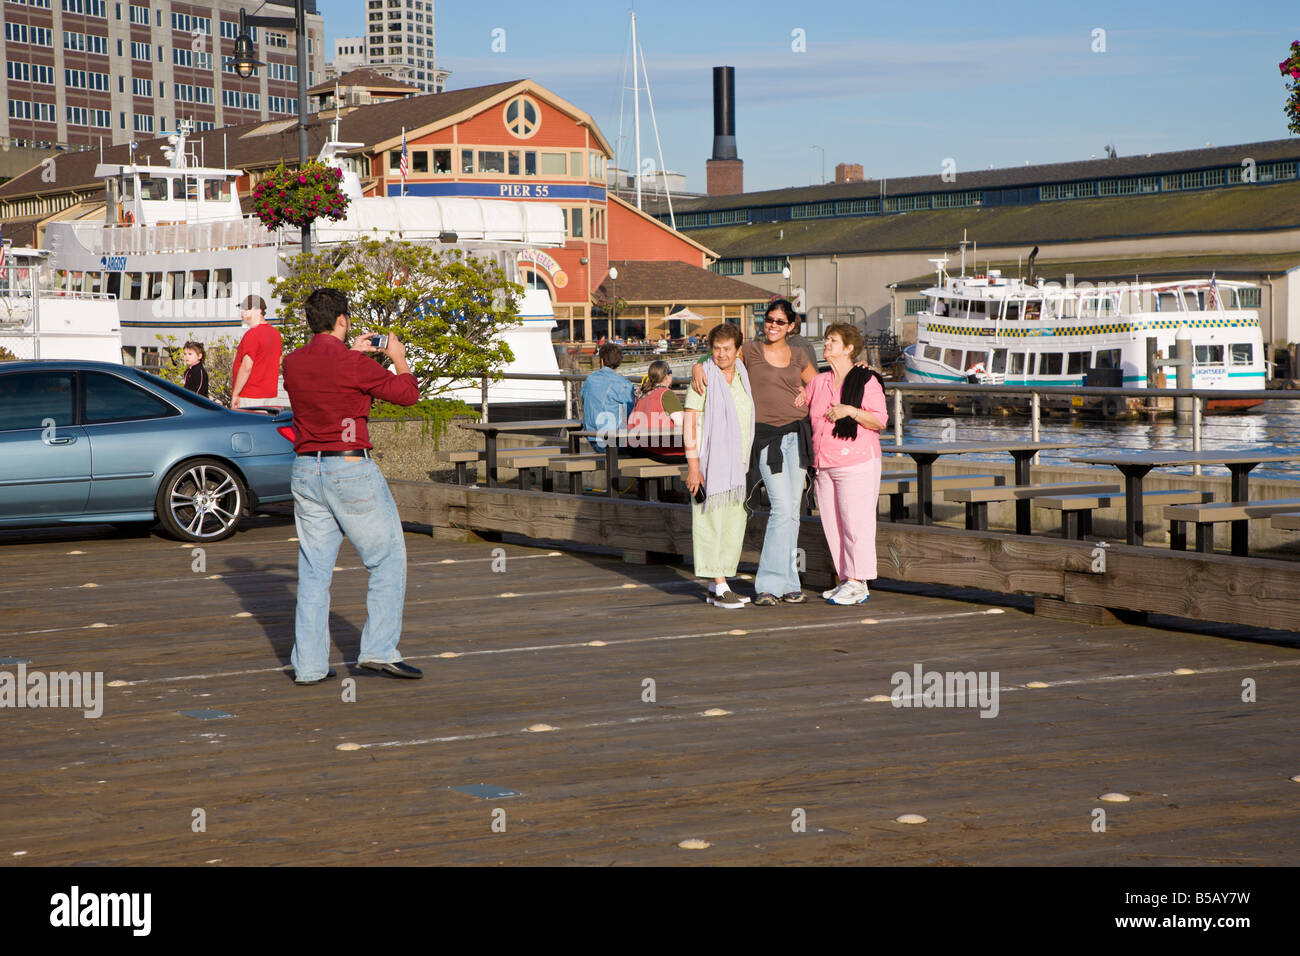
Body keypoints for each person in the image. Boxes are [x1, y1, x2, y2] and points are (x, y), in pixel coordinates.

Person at [280, 288, 423, 685]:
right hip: (349, 467)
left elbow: (327, 387)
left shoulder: (291, 363)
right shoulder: (351, 364)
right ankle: (378, 650)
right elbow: (407, 395)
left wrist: (354, 356)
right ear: (342, 320)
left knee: (313, 571)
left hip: (307, 469)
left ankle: (309, 667)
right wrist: (396, 355)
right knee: (386, 559)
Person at [691, 298, 816, 605]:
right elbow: (720, 354)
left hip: (796, 437)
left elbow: (822, 387)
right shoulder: (752, 350)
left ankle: (788, 582)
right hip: (766, 439)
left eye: (779, 322)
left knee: (793, 515)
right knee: (781, 508)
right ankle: (768, 584)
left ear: (791, 326)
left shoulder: (799, 355)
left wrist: (807, 391)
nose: (772, 325)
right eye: (769, 320)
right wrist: (697, 365)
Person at [806, 323, 888, 606]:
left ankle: (859, 580)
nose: (826, 344)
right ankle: (846, 579)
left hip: (858, 461)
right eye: (826, 339)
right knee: (833, 524)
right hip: (823, 463)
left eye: (832, 340)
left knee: (856, 523)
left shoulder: (866, 381)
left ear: (849, 348)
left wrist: (850, 411)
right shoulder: (818, 382)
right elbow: (800, 408)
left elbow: (880, 420)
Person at [684, 324, 754, 609]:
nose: (721, 355)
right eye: (716, 349)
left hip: (737, 465)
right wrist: (693, 467)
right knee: (710, 522)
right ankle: (720, 584)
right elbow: (689, 421)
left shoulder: (742, 375)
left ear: (738, 351)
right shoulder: (704, 378)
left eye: (727, 349)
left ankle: (718, 585)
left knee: (733, 524)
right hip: (709, 462)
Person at [581, 342, 636, 452]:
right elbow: (630, 416)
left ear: (601, 361)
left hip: (592, 437)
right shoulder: (624, 384)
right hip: (613, 442)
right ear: (619, 362)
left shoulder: (589, 380)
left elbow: (584, 401)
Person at [231, 294, 283, 409]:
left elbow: (246, 367)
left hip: (250, 396)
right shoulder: (276, 334)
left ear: (258, 310)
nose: (242, 311)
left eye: (246, 308)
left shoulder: (252, 334)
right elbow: (277, 362)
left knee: (248, 427)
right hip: (271, 395)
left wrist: (235, 394)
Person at [629, 360, 683, 463]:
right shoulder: (666, 394)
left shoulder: (643, 395)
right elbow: (680, 423)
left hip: (644, 449)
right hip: (664, 451)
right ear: (667, 376)